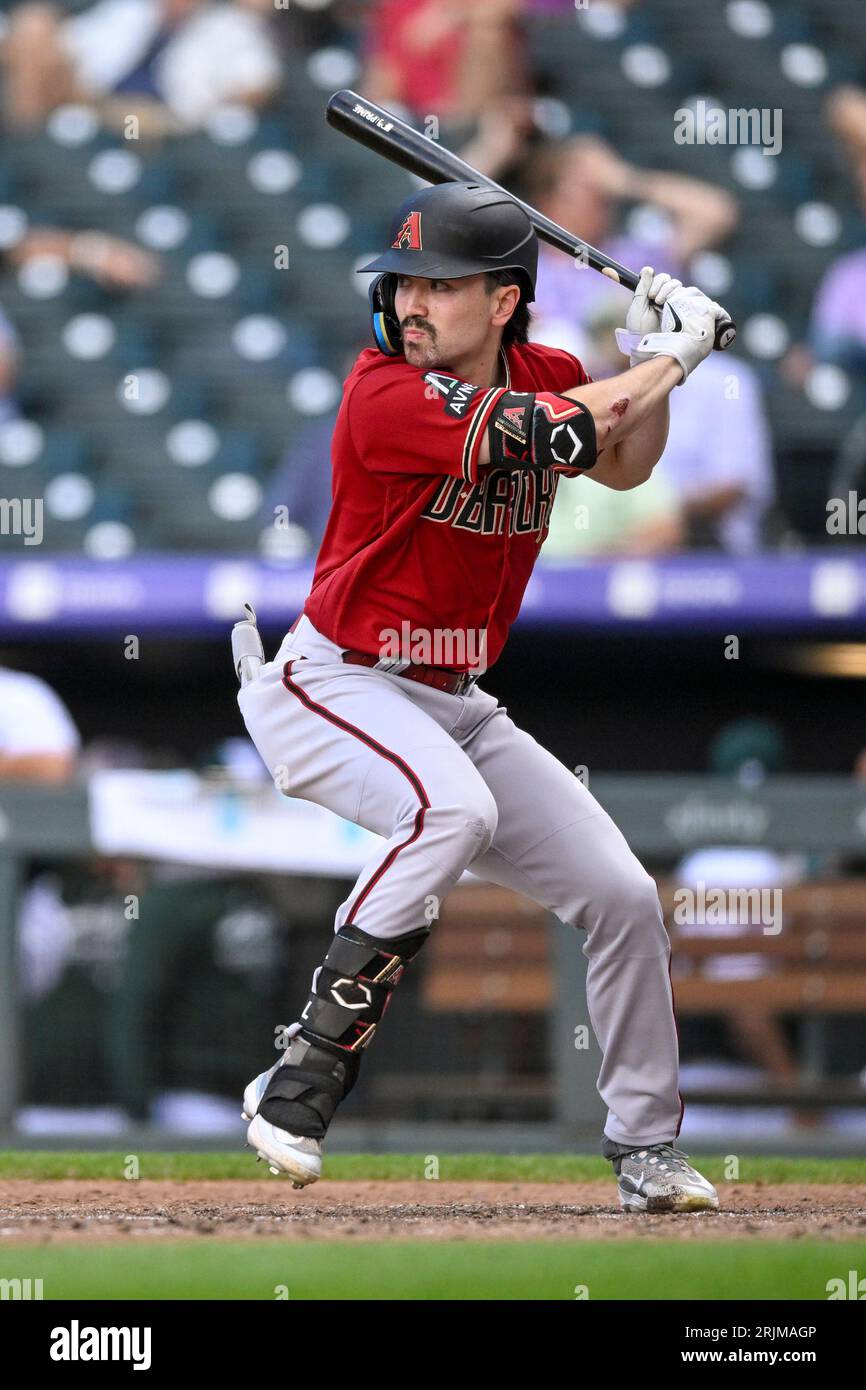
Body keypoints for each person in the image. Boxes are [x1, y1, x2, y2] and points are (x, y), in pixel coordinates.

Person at [235, 180, 727, 1212]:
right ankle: (303, 1068)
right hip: (334, 679)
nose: (411, 303)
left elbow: (624, 462)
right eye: (405, 283)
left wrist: (662, 362)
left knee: (623, 897)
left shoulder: (547, 368)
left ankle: (644, 1147)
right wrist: (668, 354)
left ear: (502, 301)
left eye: (440, 287)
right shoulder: (382, 388)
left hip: (453, 697)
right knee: (451, 809)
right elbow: (554, 438)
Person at [3, 0, 282, 134]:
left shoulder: (229, 27)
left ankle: (25, 135)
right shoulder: (133, 10)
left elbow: (257, 83)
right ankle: (26, 138)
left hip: (163, 118)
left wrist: (211, 112)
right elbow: (74, 45)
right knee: (34, 23)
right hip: (95, 100)